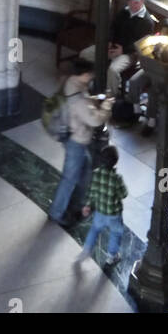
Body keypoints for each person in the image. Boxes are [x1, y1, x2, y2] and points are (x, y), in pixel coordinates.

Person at [48, 61, 113, 227]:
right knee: (69, 178)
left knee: (84, 172)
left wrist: (96, 99)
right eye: (89, 74)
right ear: (83, 74)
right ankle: (56, 212)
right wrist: (106, 106)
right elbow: (94, 120)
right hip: (76, 141)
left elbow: (85, 103)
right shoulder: (77, 98)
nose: (91, 76)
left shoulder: (72, 83)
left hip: (76, 138)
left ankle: (75, 203)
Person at [76, 143, 128, 267]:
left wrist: (87, 205)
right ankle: (111, 256)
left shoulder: (96, 173)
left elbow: (92, 191)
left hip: (99, 211)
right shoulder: (117, 178)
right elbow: (124, 194)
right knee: (115, 233)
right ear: (115, 162)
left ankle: (86, 250)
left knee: (94, 229)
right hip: (114, 214)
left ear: (101, 160)